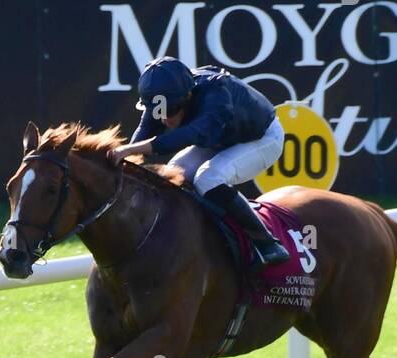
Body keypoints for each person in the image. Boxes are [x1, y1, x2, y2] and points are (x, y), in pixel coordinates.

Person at [108, 56, 289, 266]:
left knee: (208, 178)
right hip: (222, 139)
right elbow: (144, 133)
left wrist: (130, 149)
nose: (166, 119)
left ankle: (267, 244)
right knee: (174, 174)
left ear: (188, 95)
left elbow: (190, 135)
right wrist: (124, 159)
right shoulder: (165, 96)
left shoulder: (216, 92)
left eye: (173, 110)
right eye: (159, 113)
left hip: (262, 138)